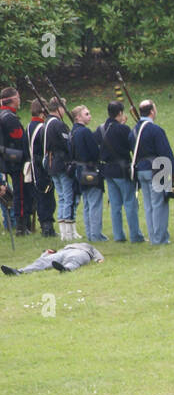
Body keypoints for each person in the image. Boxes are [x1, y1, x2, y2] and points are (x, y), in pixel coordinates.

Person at [130, 100, 174, 245]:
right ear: (152, 112)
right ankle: (160, 239)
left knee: (149, 206)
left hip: (141, 170)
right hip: (156, 169)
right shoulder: (155, 130)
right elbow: (165, 153)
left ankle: (153, 236)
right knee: (159, 205)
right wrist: (173, 172)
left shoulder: (133, 131)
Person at [97, 101, 141, 243]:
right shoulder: (123, 129)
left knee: (115, 205)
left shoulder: (101, 129)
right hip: (122, 170)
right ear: (120, 113)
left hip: (108, 170)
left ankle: (118, 235)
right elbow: (132, 146)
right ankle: (135, 235)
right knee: (129, 203)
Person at [69, 105, 107, 242]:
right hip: (89, 169)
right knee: (94, 203)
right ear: (78, 117)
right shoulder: (84, 132)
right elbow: (94, 152)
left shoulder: (72, 132)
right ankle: (96, 235)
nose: (89, 116)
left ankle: (91, 233)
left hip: (78, 170)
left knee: (87, 203)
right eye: (86, 114)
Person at [42, 97, 76, 240]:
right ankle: (68, 232)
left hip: (52, 163)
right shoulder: (57, 124)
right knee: (67, 197)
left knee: (62, 197)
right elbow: (67, 144)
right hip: (61, 162)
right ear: (59, 108)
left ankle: (64, 233)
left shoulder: (46, 123)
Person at [0, 86, 31, 236]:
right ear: (12, 100)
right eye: (18, 98)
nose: (20, 101)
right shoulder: (10, 118)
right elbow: (19, 139)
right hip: (15, 161)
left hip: (7, 161)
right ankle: (21, 226)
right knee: (20, 193)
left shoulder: (3, 115)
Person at [27, 98, 56, 237]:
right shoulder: (41, 128)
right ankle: (47, 228)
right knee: (46, 197)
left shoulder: (29, 125)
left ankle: (46, 226)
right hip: (40, 167)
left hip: (33, 167)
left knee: (41, 197)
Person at [3, 241, 104, 276]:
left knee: (74, 259)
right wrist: (46, 253)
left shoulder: (89, 248)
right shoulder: (64, 248)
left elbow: (98, 256)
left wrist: (99, 260)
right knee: (43, 261)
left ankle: (67, 269)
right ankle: (19, 271)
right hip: (63, 252)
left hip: (81, 253)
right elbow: (43, 258)